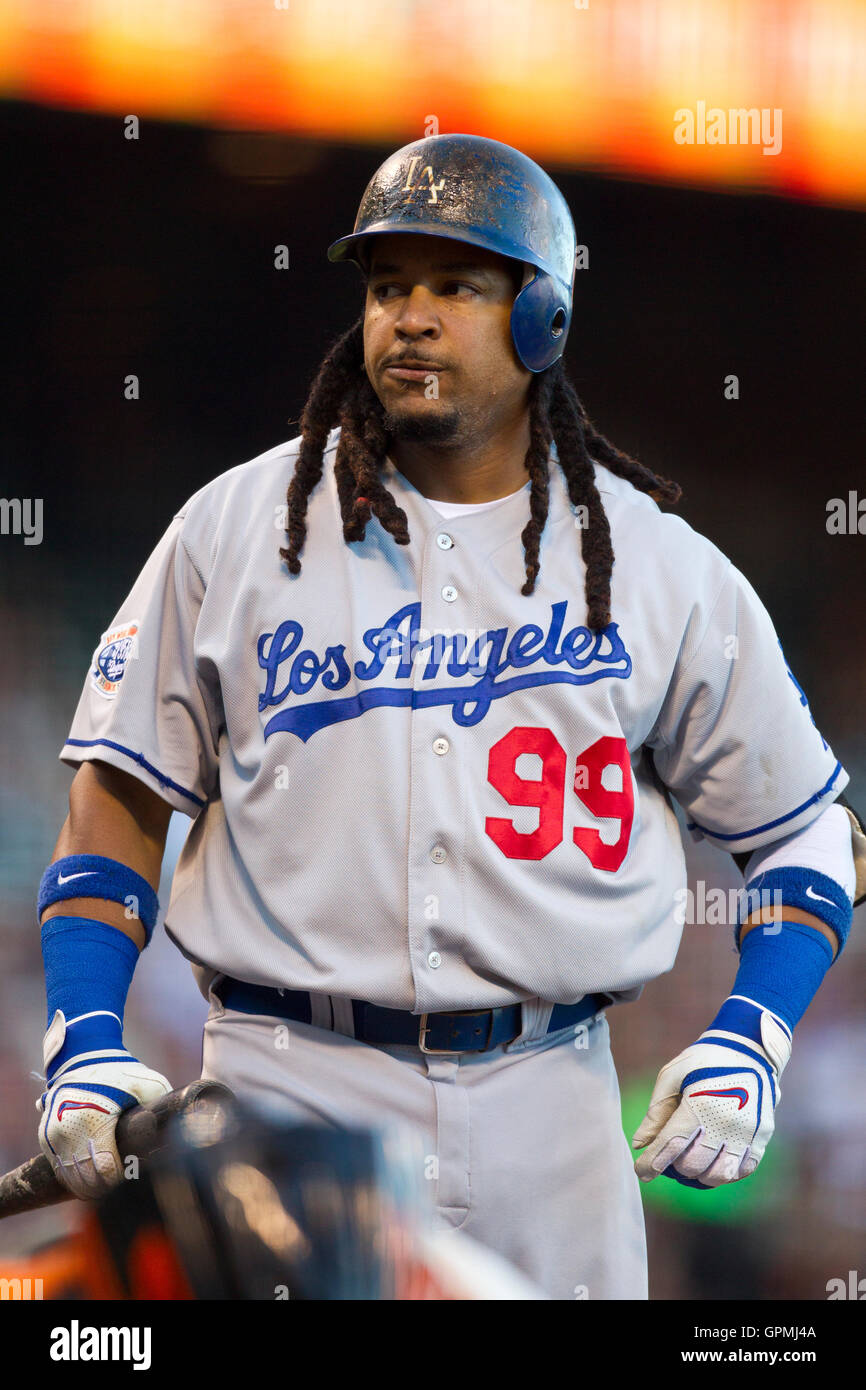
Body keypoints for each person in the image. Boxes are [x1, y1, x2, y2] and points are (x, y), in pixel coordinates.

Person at [34, 134, 864, 1300]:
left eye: (454, 286)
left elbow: (807, 830)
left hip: (552, 1104)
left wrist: (754, 1032)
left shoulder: (661, 568)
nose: (408, 318)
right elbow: (113, 797)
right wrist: (83, 1031)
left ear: (541, 322)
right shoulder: (232, 530)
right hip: (287, 1089)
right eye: (386, 288)